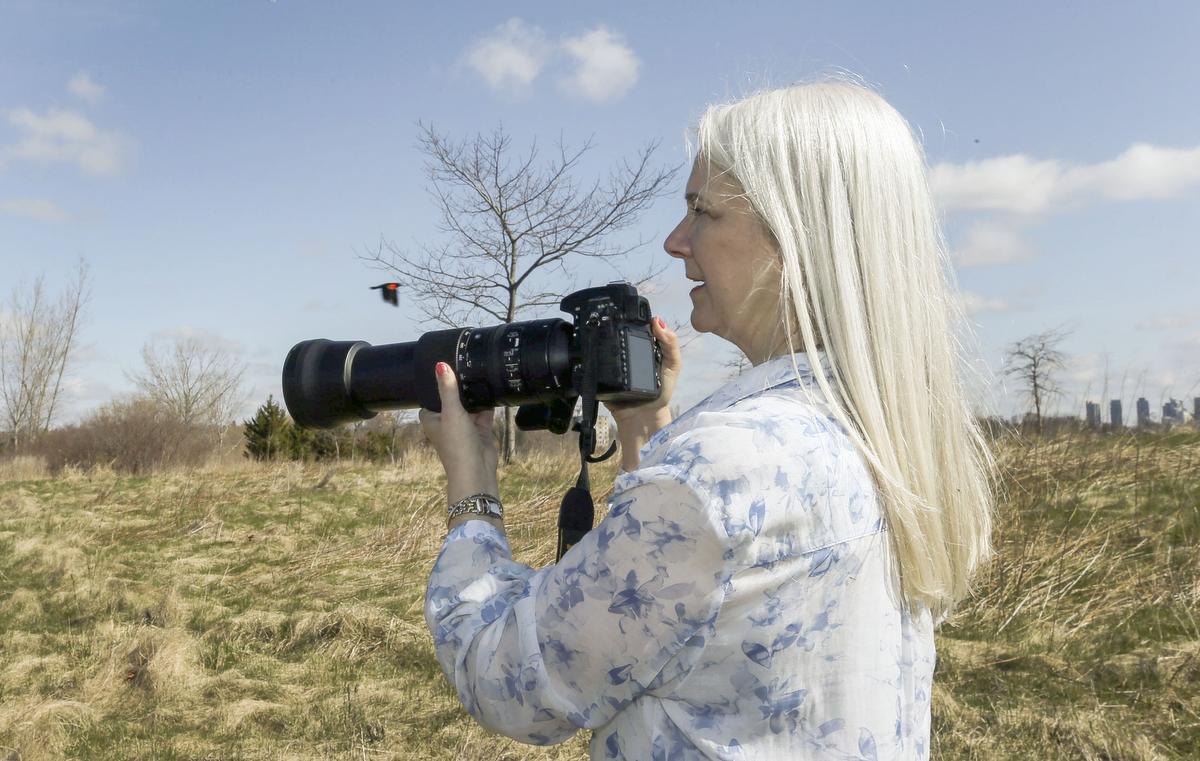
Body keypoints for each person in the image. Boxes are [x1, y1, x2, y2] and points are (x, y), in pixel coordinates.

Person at [420, 79, 996, 760]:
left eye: (702, 210)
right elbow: (708, 620)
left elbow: (510, 679)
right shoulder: (884, 430)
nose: (675, 240)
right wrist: (646, 426)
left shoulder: (720, 469)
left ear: (797, 232)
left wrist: (473, 488)